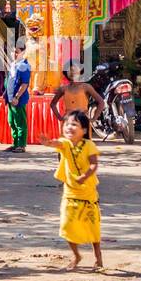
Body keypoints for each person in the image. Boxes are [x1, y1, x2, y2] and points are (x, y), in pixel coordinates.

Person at [42, 111, 103, 271]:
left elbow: (94, 165)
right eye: (67, 124)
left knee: (92, 227)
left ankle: (98, 258)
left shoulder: (89, 145)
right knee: (67, 225)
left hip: (88, 194)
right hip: (70, 193)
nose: (69, 127)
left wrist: (84, 177)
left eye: (74, 124)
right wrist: (47, 142)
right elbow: (57, 144)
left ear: (84, 130)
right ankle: (76, 255)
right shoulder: (66, 144)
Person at [4, 41, 31, 152]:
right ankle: (15, 143)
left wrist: (17, 97)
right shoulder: (14, 64)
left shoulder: (24, 66)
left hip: (17, 99)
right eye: (13, 52)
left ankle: (21, 145)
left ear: (23, 52)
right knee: (12, 121)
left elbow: (24, 84)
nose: (14, 54)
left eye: (16, 52)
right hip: (10, 98)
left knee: (20, 122)